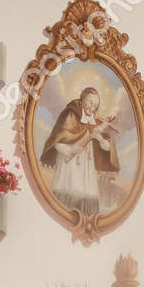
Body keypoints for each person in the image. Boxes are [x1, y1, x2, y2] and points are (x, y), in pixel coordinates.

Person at [40, 87, 119, 215]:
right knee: (69, 201)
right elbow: (56, 141)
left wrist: (100, 138)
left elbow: (105, 145)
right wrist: (70, 149)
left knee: (87, 198)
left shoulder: (93, 120)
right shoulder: (69, 115)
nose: (92, 107)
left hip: (87, 170)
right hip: (69, 167)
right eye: (90, 102)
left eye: (95, 105)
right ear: (82, 100)